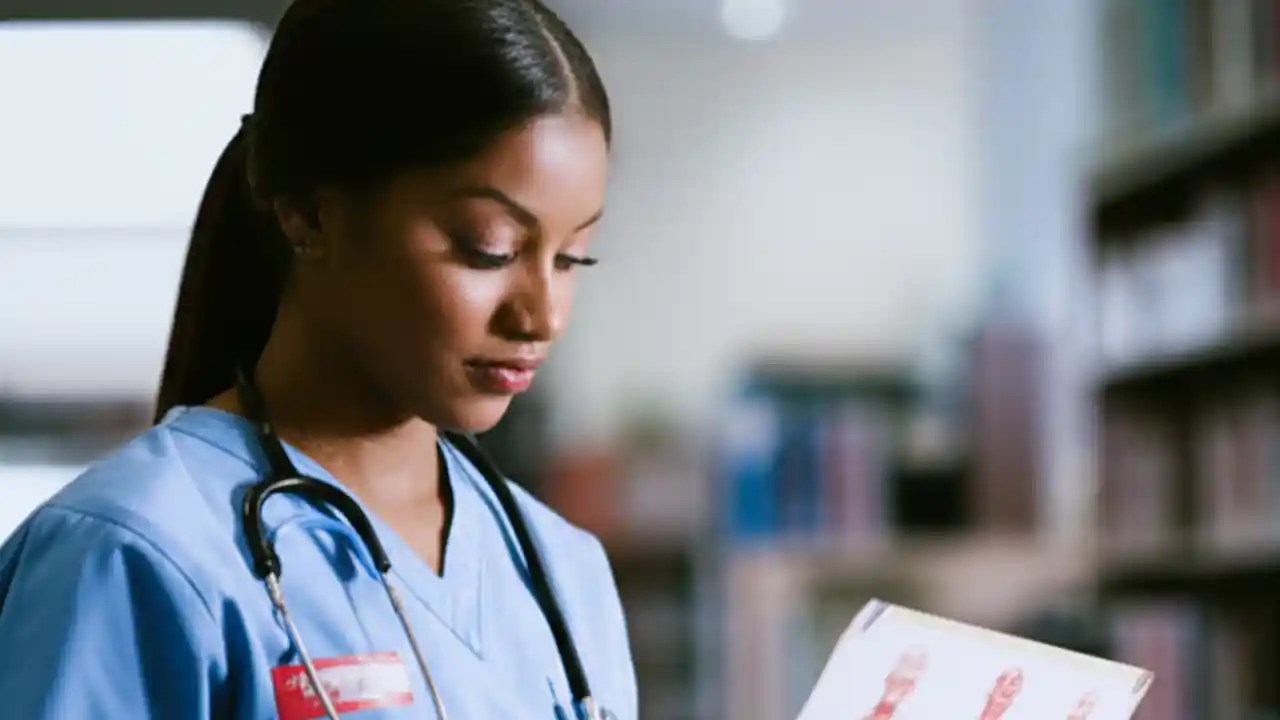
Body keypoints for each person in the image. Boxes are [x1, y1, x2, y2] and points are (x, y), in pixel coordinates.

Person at [0, 1, 634, 718]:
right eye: (487, 248)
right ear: (308, 210)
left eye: (573, 256)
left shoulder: (561, 575)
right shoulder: (134, 557)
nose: (541, 315)